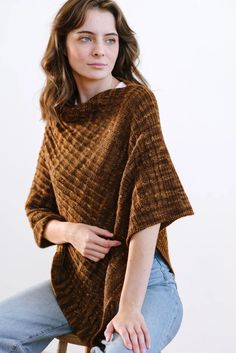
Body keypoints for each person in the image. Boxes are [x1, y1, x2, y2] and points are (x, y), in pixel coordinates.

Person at [0, 1, 194, 352]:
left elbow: (148, 212)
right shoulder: (60, 119)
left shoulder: (136, 104)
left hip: (146, 285)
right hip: (78, 285)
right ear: (63, 43)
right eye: (86, 38)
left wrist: (129, 307)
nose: (100, 50)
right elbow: (38, 210)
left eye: (110, 39)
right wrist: (71, 232)